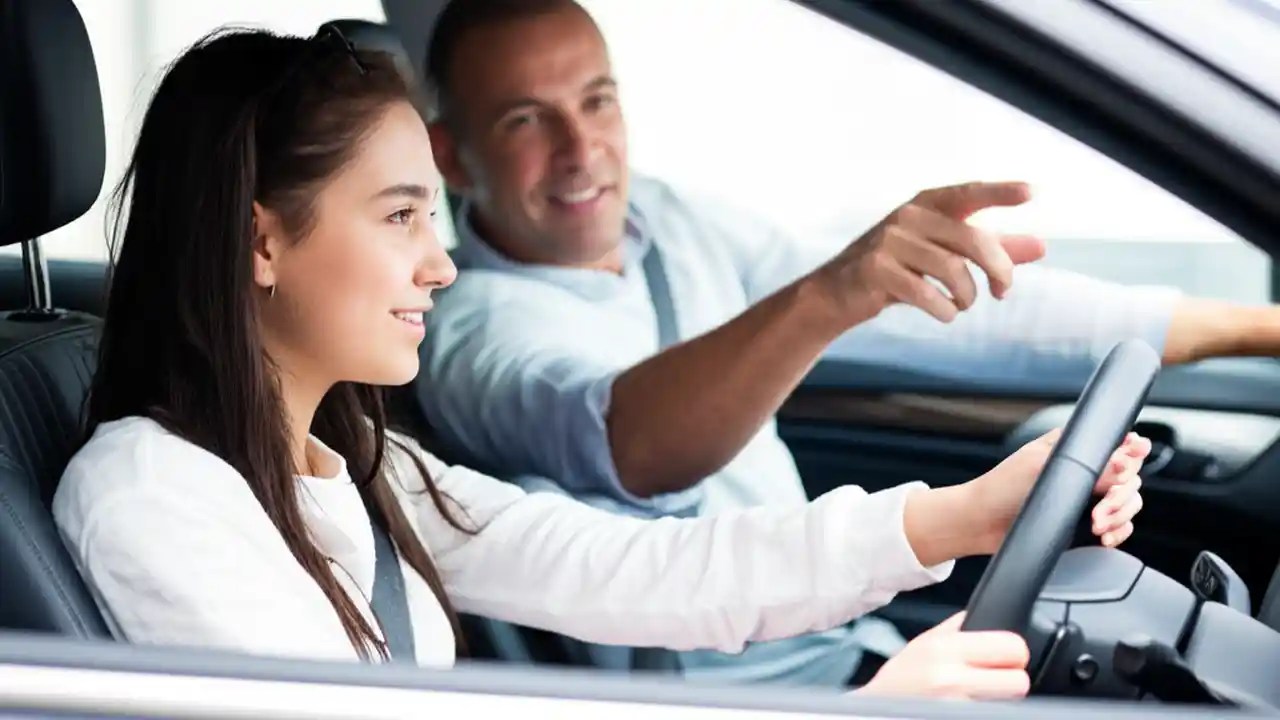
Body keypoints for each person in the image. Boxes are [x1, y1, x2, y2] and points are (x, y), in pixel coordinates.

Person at [50, 28, 1146, 702]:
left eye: (432, 216)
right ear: (260, 242)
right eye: (398, 217)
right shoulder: (156, 495)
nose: (439, 264)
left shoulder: (362, 471)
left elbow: (647, 572)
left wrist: (962, 515)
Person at [413, 0, 1269, 687]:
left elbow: (945, 301)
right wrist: (834, 293)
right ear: (451, 157)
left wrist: (1259, 329)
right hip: (718, 698)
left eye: (597, 99)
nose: (580, 150)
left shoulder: (665, 221)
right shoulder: (465, 327)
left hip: (838, 644)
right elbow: (625, 440)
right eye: (527, 120)